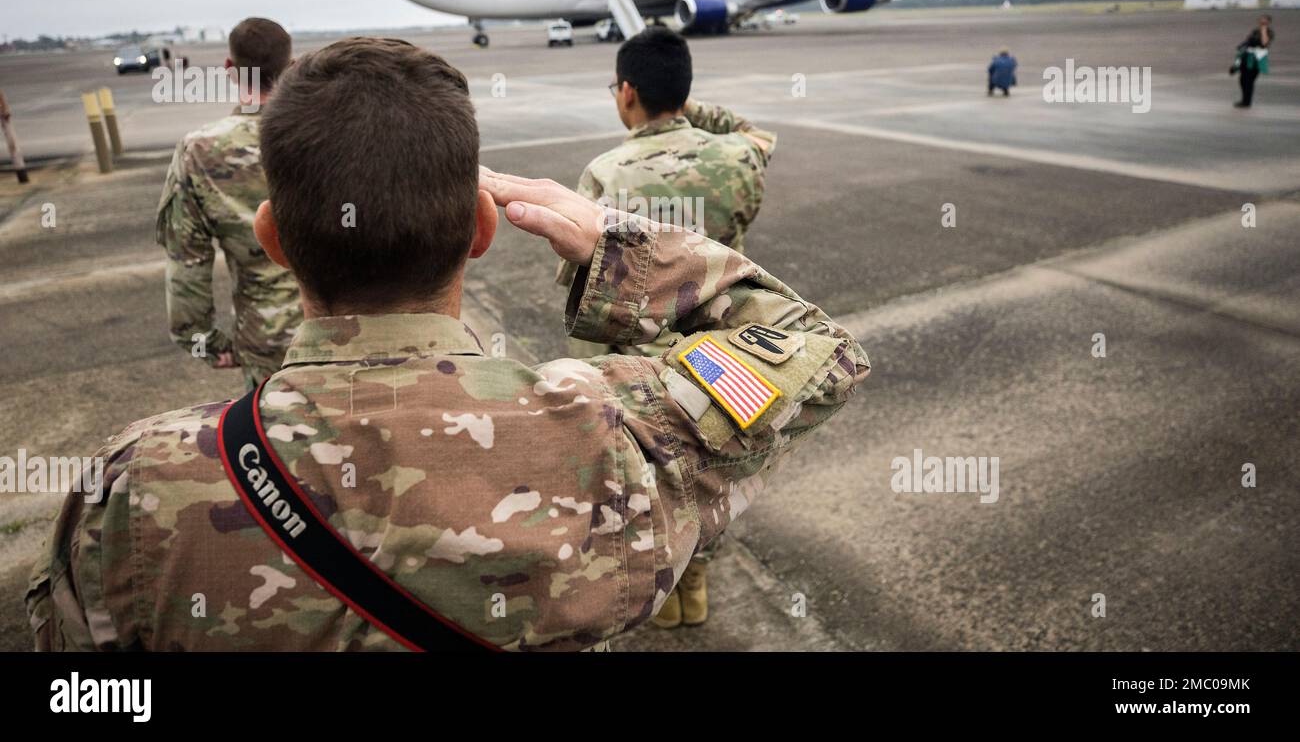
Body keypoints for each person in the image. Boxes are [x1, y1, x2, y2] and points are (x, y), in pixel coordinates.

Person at [27, 37, 869, 652]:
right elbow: (815, 348)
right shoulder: (609, 438)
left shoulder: (134, 491)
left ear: (273, 238)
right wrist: (616, 243)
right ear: (482, 229)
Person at [555, 26, 777, 628]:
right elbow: (756, 133)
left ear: (626, 92)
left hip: (637, 365)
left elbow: (582, 279)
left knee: (643, 482)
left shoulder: (604, 173)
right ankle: (696, 582)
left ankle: (657, 589)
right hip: (717, 353)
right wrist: (687, 104)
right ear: (683, 90)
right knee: (712, 468)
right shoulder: (738, 157)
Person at [155, 17, 303, 390]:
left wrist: (203, 341)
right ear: (290, 67)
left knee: (275, 444)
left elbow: (187, 260)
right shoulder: (331, 134)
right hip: (350, 331)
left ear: (230, 70)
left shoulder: (200, 150)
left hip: (268, 340)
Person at [1232, 14, 1273, 108]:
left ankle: (1247, 102)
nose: (1262, 22)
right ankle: (1244, 100)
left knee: (1249, 81)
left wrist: (1263, 30)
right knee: (1242, 80)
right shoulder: (1255, 31)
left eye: (1264, 21)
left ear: (1268, 22)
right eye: (1261, 20)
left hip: (1257, 59)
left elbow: (1264, 43)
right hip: (1247, 56)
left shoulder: (1269, 32)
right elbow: (1248, 41)